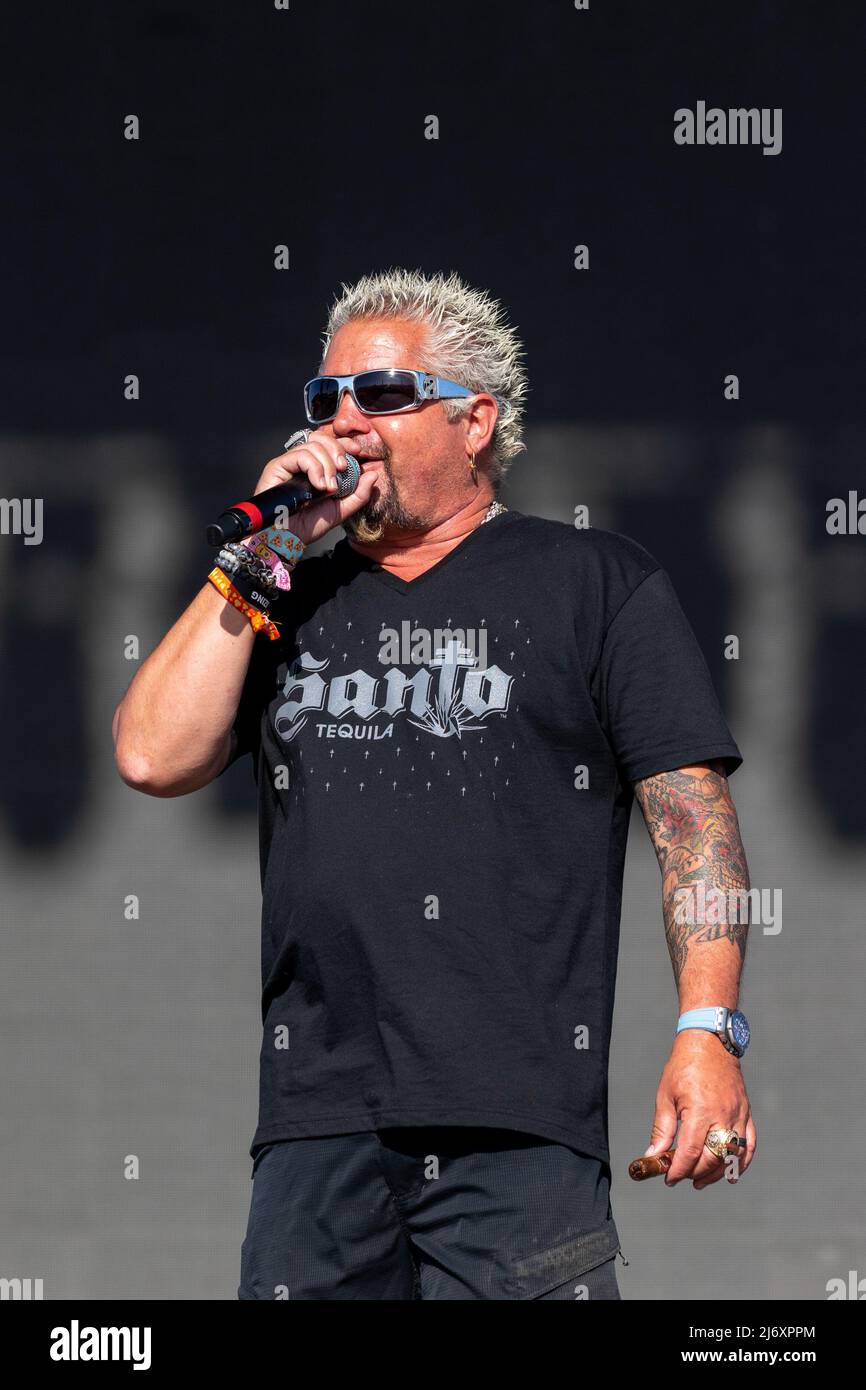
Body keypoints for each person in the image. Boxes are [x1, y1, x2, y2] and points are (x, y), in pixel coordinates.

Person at [112, 267, 756, 1300]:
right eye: (325, 401)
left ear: (474, 421)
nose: (345, 423)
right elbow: (152, 754)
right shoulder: (289, 594)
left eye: (383, 395)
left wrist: (705, 1030)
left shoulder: (592, 581)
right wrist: (268, 548)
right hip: (316, 1128)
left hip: (517, 1135)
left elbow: (693, 823)